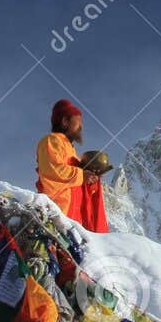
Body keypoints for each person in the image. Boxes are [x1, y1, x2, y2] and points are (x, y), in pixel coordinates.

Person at [36, 99, 111, 231]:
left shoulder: (72, 152)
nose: (81, 127)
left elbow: (78, 181)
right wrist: (82, 175)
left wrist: (92, 178)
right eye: (78, 122)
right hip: (58, 214)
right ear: (65, 121)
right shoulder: (51, 141)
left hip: (74, 221)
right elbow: (52, 170)